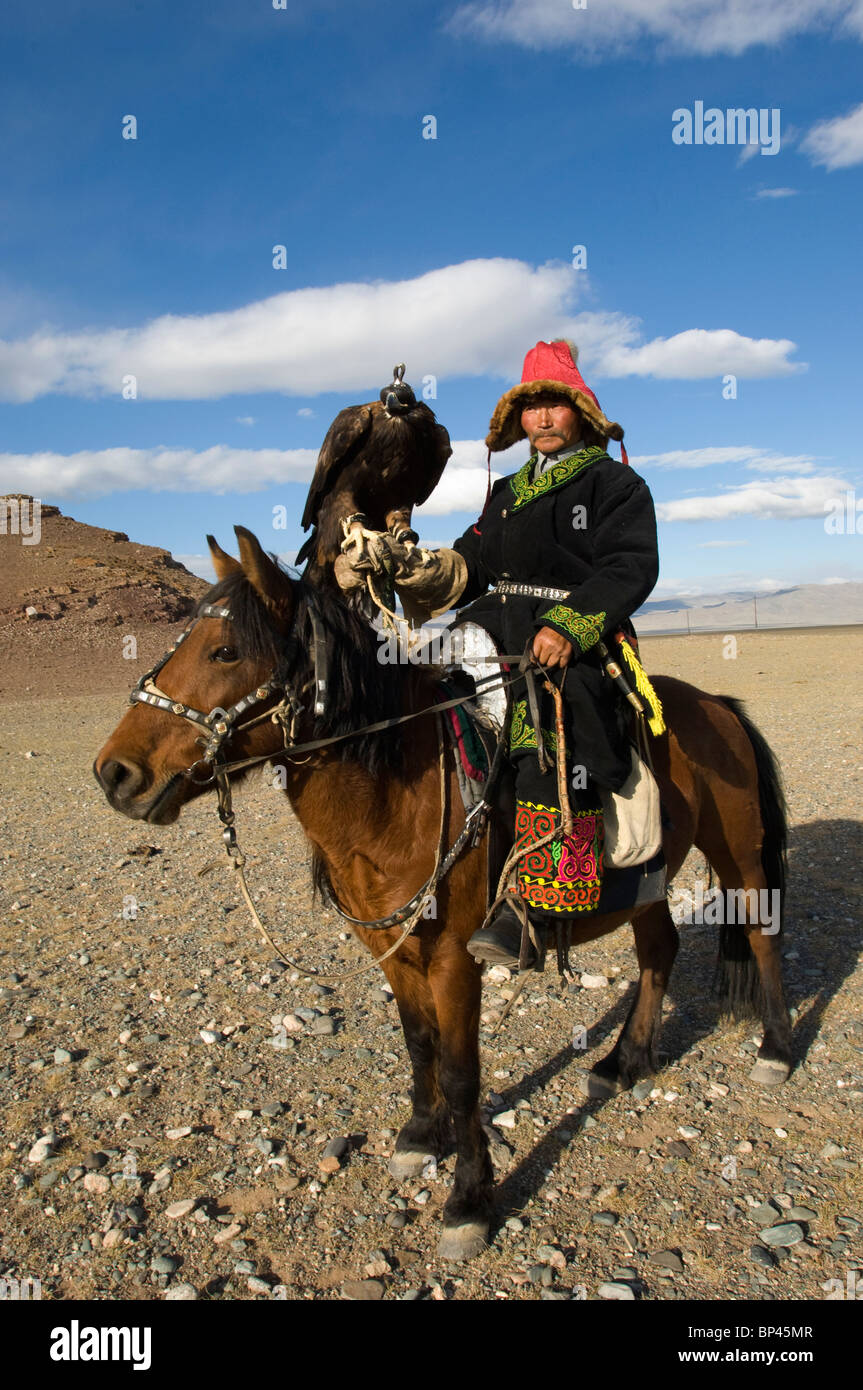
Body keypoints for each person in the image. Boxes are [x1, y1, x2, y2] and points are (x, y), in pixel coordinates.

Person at [336, 339, 661, 968]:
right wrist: (401, 563)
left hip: (577, 639)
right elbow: (469, 566)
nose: (541, 417)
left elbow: (631, 568)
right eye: (530, 406)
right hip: (494, 628)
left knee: (543, 728)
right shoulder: (507, 492)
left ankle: (535, 905)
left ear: (581, 413)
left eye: (554, 405)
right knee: (429, 700)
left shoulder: (615, 484)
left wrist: (569, 625)